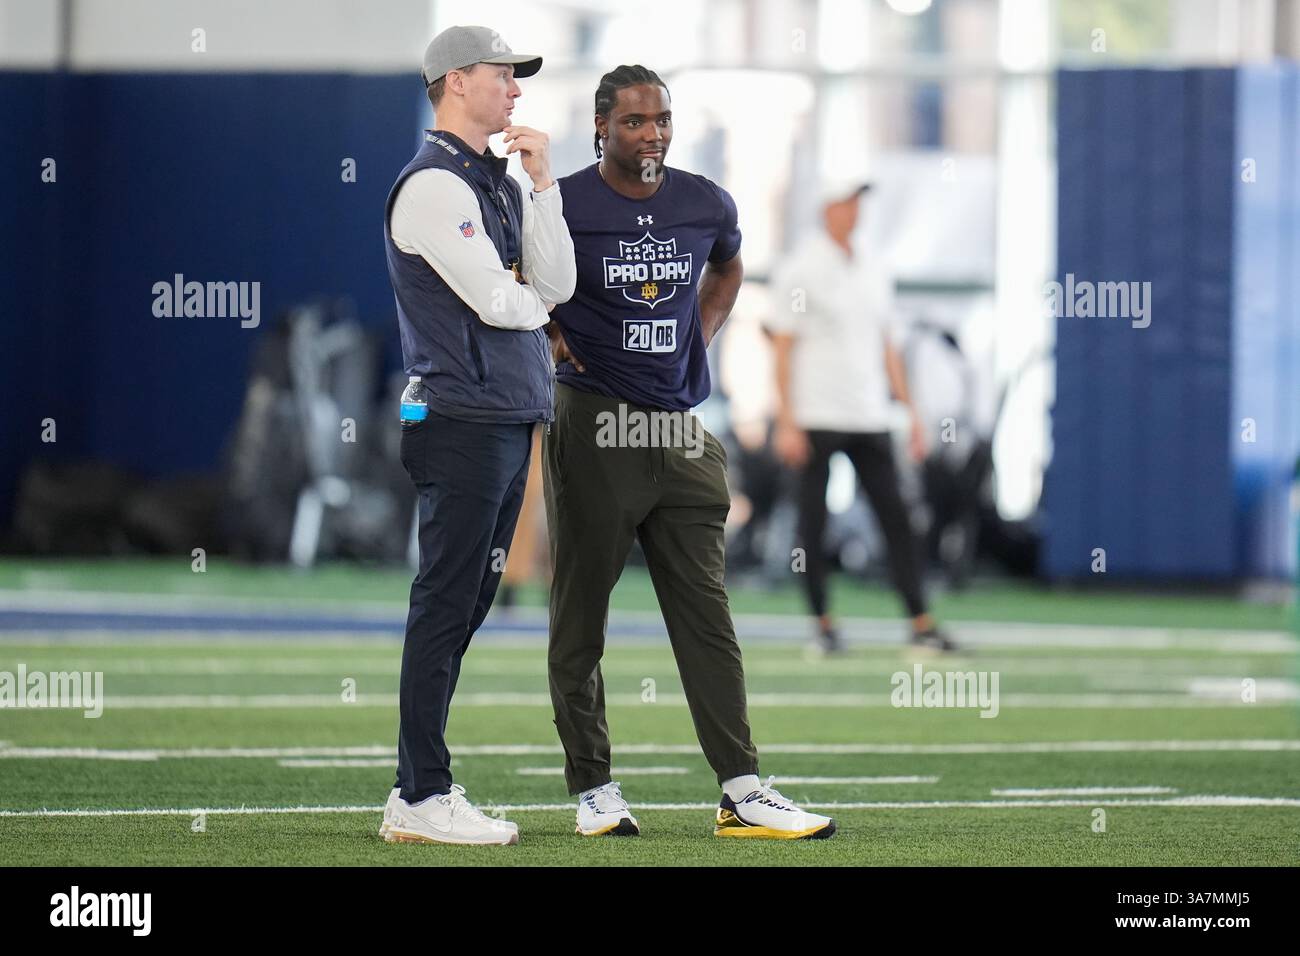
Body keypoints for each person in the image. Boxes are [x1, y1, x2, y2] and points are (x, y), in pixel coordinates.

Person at [544, 65, 836, 841]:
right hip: (597, 421)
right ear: (602, 126)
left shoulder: (704, 200)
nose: (653, 135)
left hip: (677, 425)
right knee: (582, 615)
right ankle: (594, 788)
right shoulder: (565, 202)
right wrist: (553, 338)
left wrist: (699, 336)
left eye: (663, 120)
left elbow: (730, 264)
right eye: (636, 122)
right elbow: (521, 281)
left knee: (708, 617)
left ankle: (741, 788)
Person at [378, 25, 575, 845]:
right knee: (445, 602)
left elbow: (554, 282)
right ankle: (422, 794)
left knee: (467, 602)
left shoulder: (497, 181)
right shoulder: (432, 186)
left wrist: (545, 184)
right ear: (457, 82)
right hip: (459, 419)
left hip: (501, 415)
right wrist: (532, 296)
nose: (518, 92)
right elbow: (500, 303)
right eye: (505, 77)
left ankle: (417, 790)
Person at [767, 180, 955, 655]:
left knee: (898, 516)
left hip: (869, 414)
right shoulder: (801, 267)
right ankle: (823, 625)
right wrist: (786, 420)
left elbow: (888, 345)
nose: (856, 211)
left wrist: (910, 412)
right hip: (816, 413)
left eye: (859, 202)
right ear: (827, 208)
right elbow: (782, 347)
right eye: (848, 202)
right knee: (812, 524)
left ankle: (921, 622)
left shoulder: (874, 264)